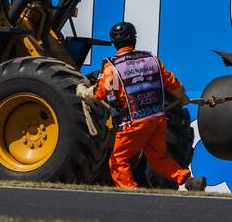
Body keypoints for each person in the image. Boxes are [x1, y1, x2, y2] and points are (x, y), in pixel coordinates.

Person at [83, 22, 206, 191]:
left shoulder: (113, 67)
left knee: (118, 160)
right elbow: (172, 83)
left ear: (113, 42)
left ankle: (131, 192)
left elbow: (101, 92)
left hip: (133, 124)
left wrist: (84, 92)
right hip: (157, 119)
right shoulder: (151, 60)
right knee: (158, 158)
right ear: (134, 39)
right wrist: (183, 97)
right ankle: (188, 180)